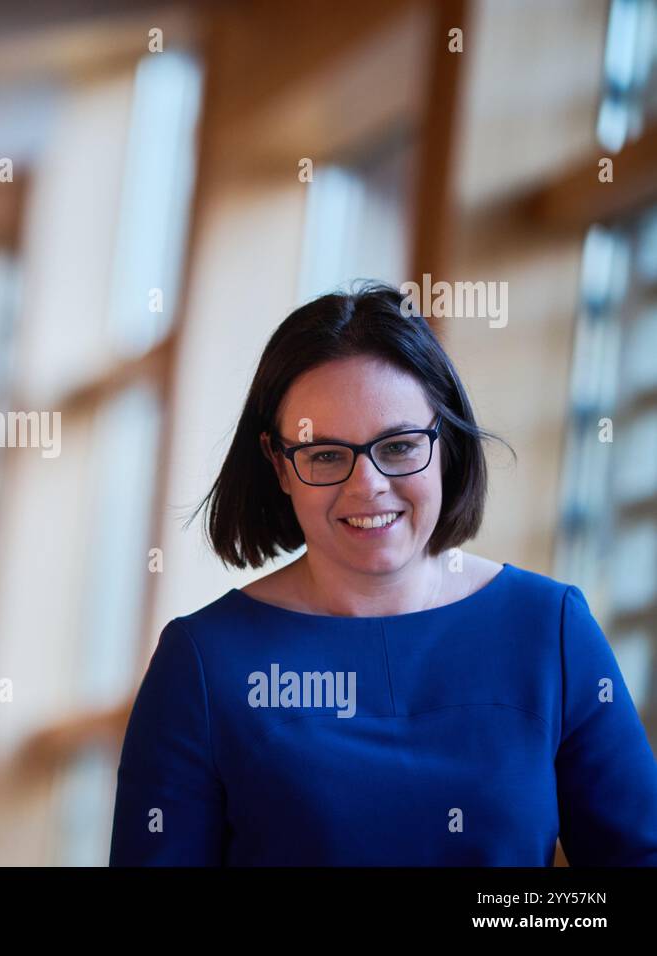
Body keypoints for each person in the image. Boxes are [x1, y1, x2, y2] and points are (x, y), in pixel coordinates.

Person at [109, 282, 657, 865]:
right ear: (279, 464)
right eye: (325, 454)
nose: (366, 484)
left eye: (397, 446)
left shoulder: (551, 630)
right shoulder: (202, 664)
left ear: (444, 442)